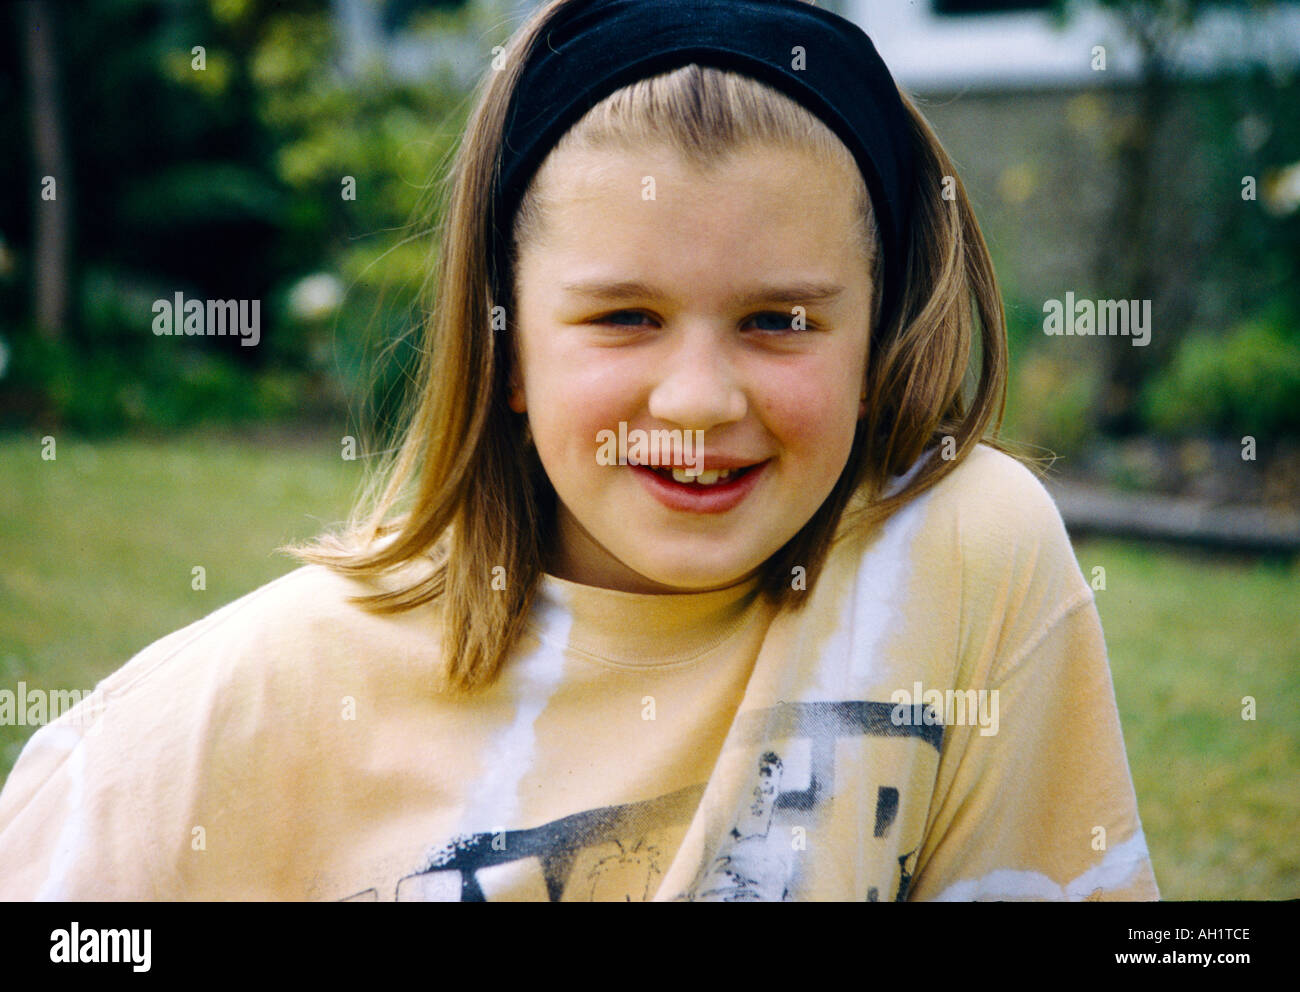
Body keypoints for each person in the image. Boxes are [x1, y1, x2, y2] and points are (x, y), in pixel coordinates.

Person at [0, 0, 1159, 901]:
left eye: (779, 320)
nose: (699, 399)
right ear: (503, 343)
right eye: (622, 318)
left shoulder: (959, 557)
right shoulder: (219, 717)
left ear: (878, 331)